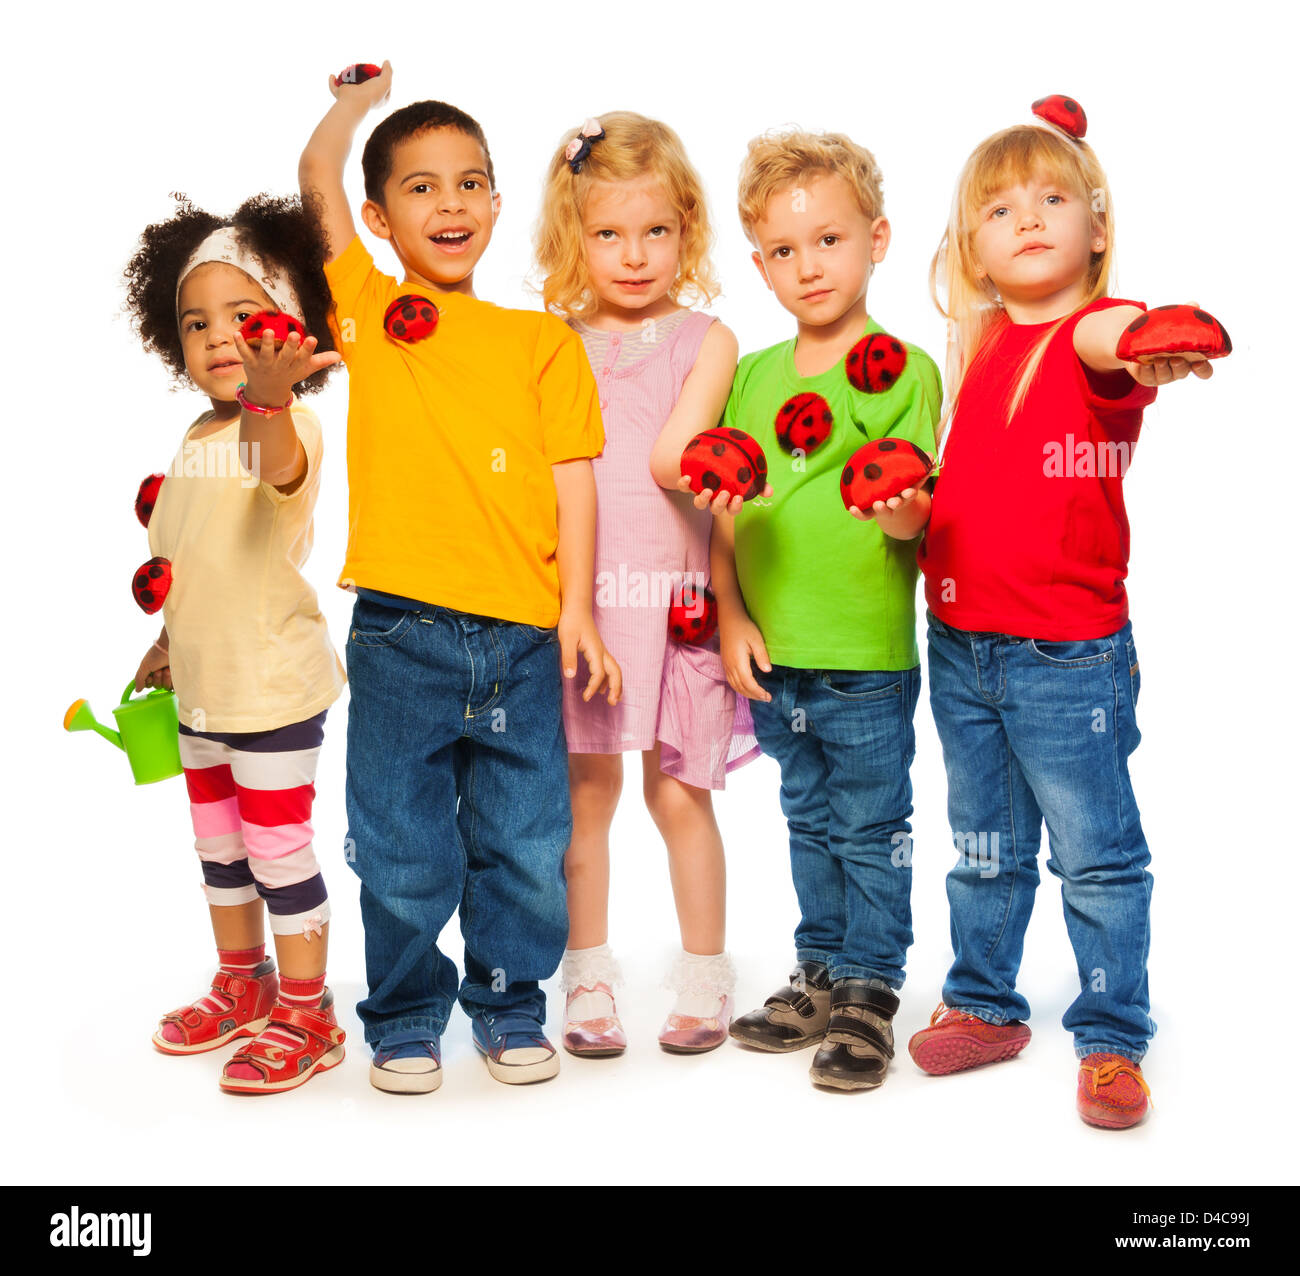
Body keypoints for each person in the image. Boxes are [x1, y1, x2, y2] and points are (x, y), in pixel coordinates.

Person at [299, 63, 619, 1093]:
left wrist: (577, 610)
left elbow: (574, 481)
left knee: (525, 842)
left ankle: (511, 1005)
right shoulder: (371, 312)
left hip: (523, 636)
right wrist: (353, 105)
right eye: (422, 186)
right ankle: (402, 1018)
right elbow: (316, 176)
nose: (451, 203)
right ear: (379, 218)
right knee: (400, 848)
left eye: (470, 182)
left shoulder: (541, 340)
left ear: (495, 200)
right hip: (402, 634)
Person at [906, 98, 1219, 1129]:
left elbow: (1118, 339)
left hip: (1065, 658)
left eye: (1051, 199)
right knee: (983, 845)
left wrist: (1149, 342)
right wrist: (913, 507)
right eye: (999, 209)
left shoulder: (1095, 329)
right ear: (971, 247)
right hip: (961, 645)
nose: (1028, 219)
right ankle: (984, 1003)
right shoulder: (984, 338)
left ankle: (1113, 1035)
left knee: (1096, 856)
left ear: (1096, 225)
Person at [716, 129, 941, 1090]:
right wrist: (730, 614)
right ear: (760, 265)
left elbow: (919, 516)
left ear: (876, 240)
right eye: (784, 249)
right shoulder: (751, 375)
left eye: (829, 240)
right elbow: (724, 509)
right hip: (776, 653)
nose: (809, 266)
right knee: (807, 817)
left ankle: (870, 988)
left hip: (864, 656)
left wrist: (902, 514)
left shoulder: (904, 369)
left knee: (871, 823)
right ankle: (820, 970)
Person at [534, 113, 760, 1057]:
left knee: (679, 793)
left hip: (680, 604)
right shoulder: (548, 343)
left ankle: (705, 973)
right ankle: (587, 976)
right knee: (586, 795)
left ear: (688, 229)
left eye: (656, 231)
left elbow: (686, 464)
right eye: (608, 233)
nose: (633, 256)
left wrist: (736, 608)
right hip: (585, 605)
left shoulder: (707, 339)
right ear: (572, 235)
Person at [124, 193, 347, 1093]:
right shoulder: (194, 437)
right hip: (203, 690)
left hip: (270, 690)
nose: (219, 335)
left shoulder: (281, 424)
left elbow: (273, 462)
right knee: (219, 852)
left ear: (288, 325)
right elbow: (193, 560)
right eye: (197, 322)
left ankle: (309, 1010)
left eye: (244, 317)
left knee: (277, 853)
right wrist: (163, 648)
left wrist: (269, 395)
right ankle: (244, 982)